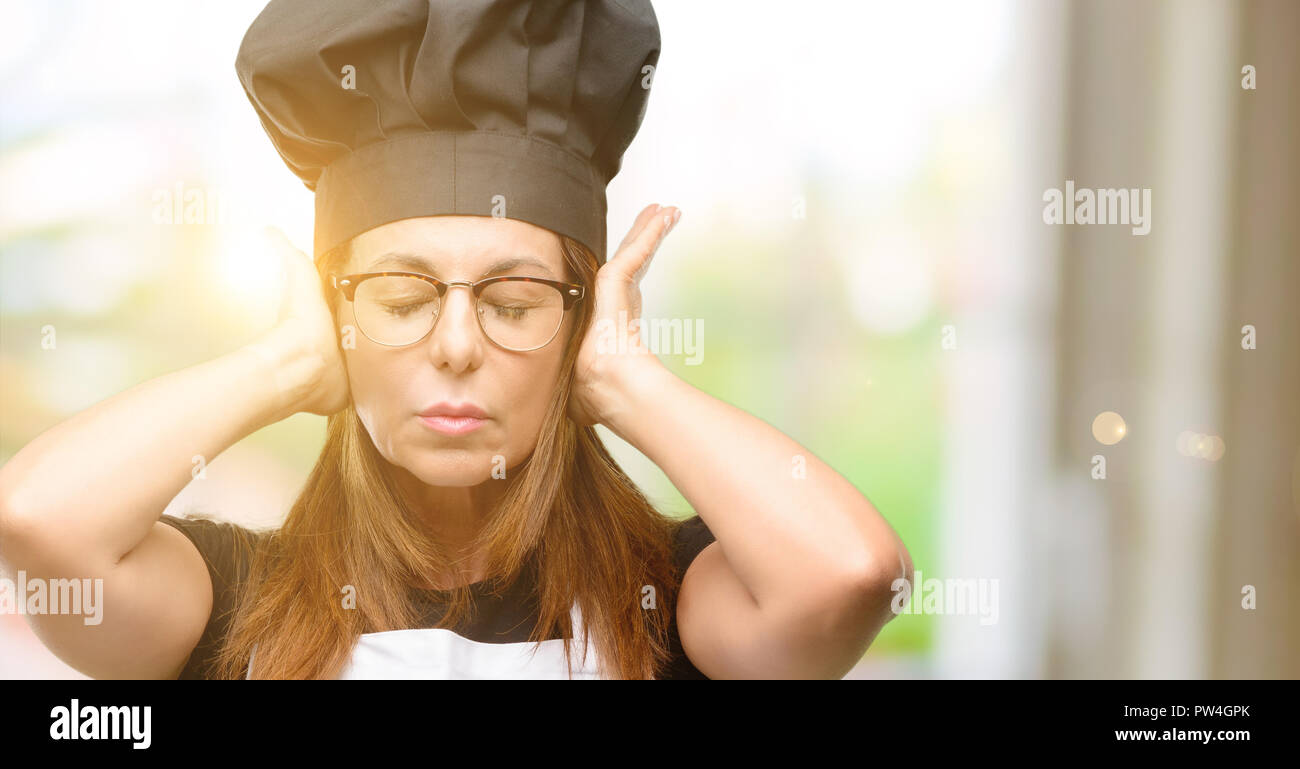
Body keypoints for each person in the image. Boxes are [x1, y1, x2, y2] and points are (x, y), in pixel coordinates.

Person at [0, 0, 913, 679]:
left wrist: (628, 382)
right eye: (400, 296)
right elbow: (40, 521)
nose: (456, 344)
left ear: (578, 323)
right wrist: (286, 364)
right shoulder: (230, 602)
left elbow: (852, 574)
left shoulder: (673, 604)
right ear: (340, 318)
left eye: (513, 301)